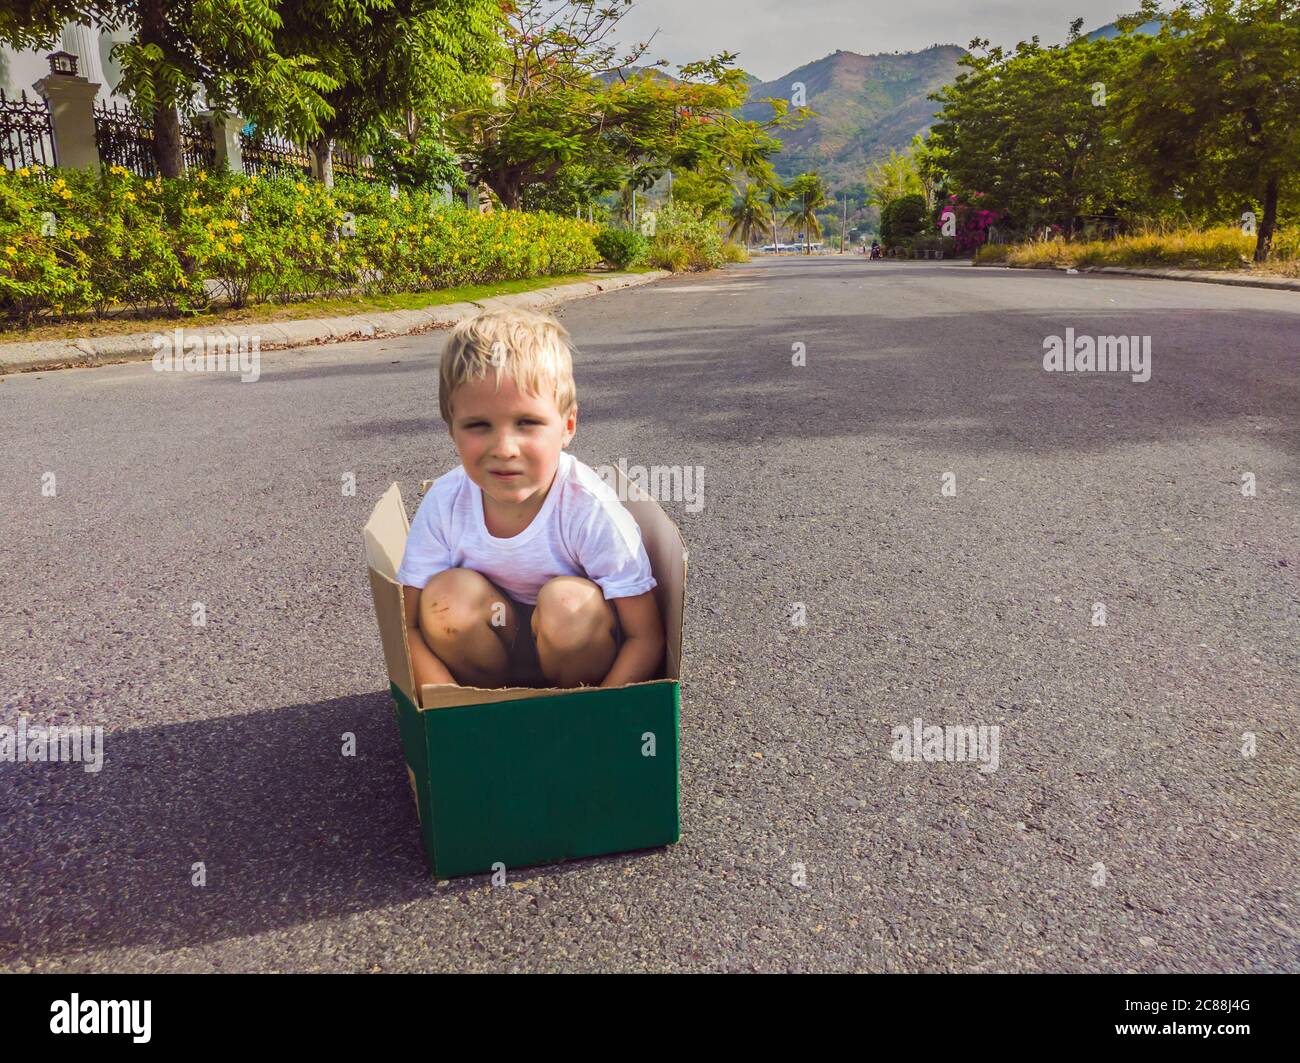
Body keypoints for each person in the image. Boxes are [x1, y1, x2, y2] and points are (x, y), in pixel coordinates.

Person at [397, 308, 665, 691]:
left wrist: (601, 717)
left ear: (567, 426)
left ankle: (565, 705)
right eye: (478, 425)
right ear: (452, 428)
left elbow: (646, 637)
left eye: (527, 423)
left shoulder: (589, 507)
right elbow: (407, 627)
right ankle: (492, 706)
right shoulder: (445, 502)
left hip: (575, 664)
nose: (505, 449)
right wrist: (448, 709)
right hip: (491, 660)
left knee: (568, 604)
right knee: (446, 598)